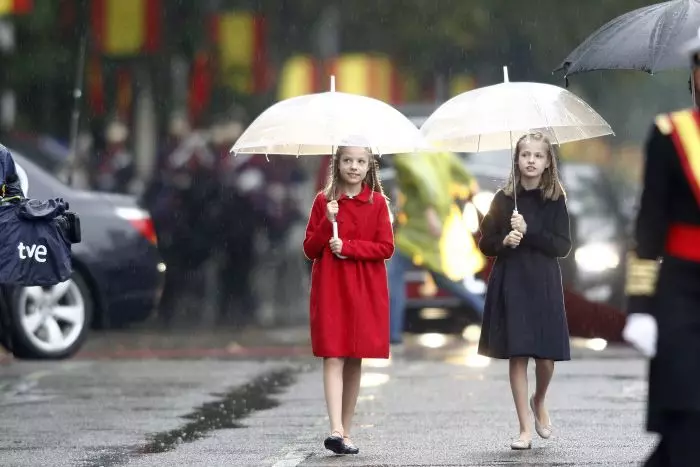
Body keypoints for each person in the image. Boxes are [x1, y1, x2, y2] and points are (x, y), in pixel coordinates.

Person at [621, 40, 700, 467]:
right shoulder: (671, 134)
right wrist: (640, 306)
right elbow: (649, 225)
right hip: (683, 293)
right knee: (687, 414)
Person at [477, 132, 571, 450]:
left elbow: (562, 245)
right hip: (512, 281)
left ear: (548, 163)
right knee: (517, 353)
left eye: (538, 156)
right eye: (525, 154)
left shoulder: (555, 198)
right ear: (516, 159)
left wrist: (529, 233)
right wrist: (504, 240)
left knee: (545, 357)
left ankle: (539, 398)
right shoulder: (504, 199)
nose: (531, 160)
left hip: (543, 282)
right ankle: (524, 428)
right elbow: (485, 241)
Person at [302, 145, 394, 455]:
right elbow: (310, 249)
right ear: (336, 163)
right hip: (331, 287)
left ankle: (346, 430)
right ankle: (335, 428)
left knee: (355, 356)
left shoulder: (378, 203)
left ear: (370, 166)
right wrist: (328, 221)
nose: (353, 167)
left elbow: (386, 247)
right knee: (333, 354)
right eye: (347, 160)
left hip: (365, 289)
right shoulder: (323, 202)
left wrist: (350, 246)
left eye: (360, 161)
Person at [389, 151, 486, 344]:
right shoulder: (441, 154)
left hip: (418, 228)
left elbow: (424, 181)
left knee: (394, 275)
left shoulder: (403, 159)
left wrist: (429, 210)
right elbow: (467, 179)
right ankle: (489, 316)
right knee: (443, 280)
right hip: (439, 225)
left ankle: (393, 334)